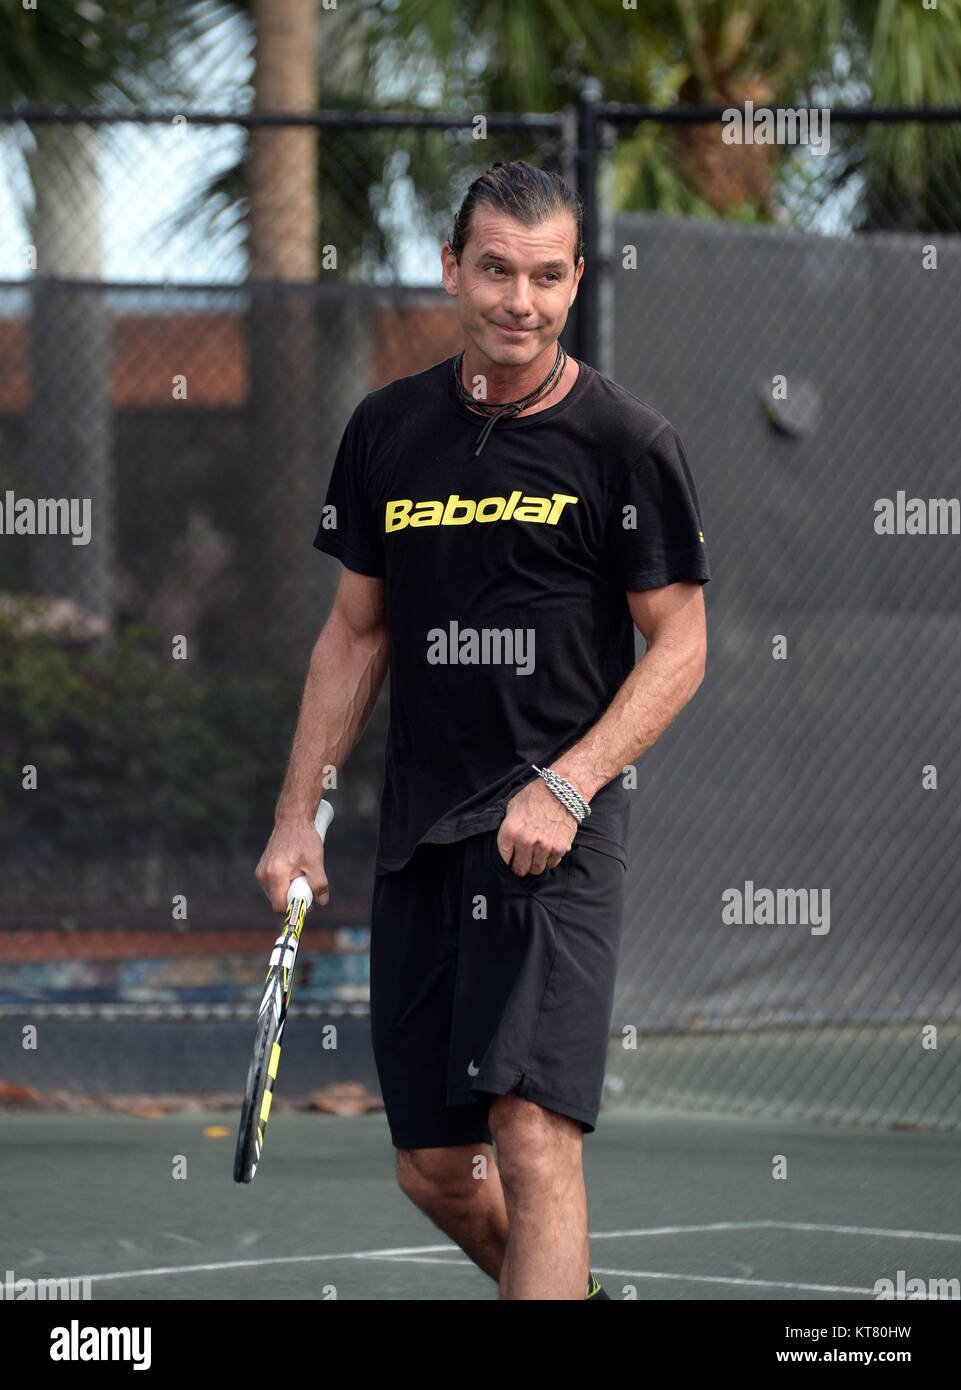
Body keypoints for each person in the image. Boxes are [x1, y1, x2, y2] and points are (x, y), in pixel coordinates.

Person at [255, 160, 711, 1301]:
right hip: (421, 835)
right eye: (497, 270)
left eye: (547, 276)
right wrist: (296, 818)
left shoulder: (625, 444)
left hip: (553, 837)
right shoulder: (385, 431)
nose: (521, 299)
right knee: (434, 1170)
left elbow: (683, 644)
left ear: (575, 280)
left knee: (531, 1133)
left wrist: (567, 786)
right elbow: (355, 636)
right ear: (451, 267)